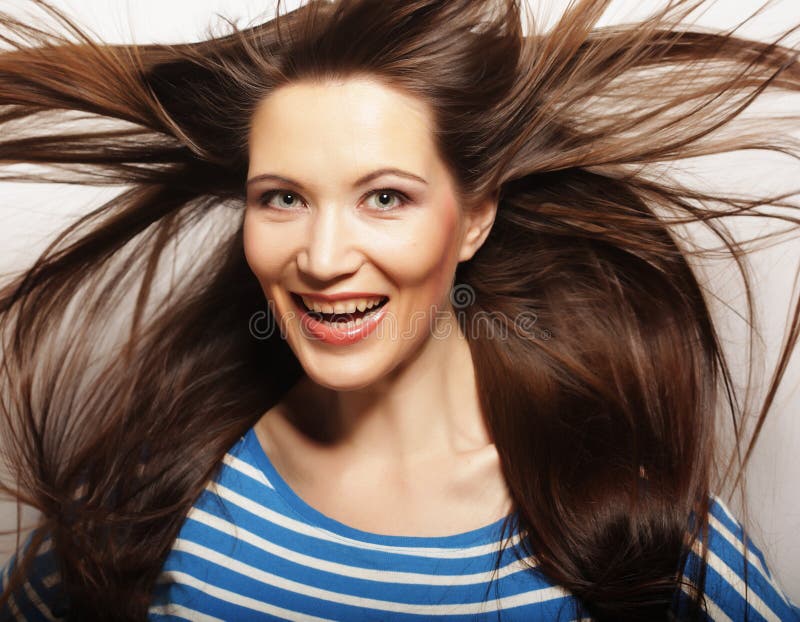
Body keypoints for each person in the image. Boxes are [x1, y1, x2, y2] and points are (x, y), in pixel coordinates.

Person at [0, 0, 799, 619]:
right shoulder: (150, 492)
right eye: (282, 198)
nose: (321, 257)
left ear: (475, 217)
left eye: (385, 197)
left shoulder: (611, 515)